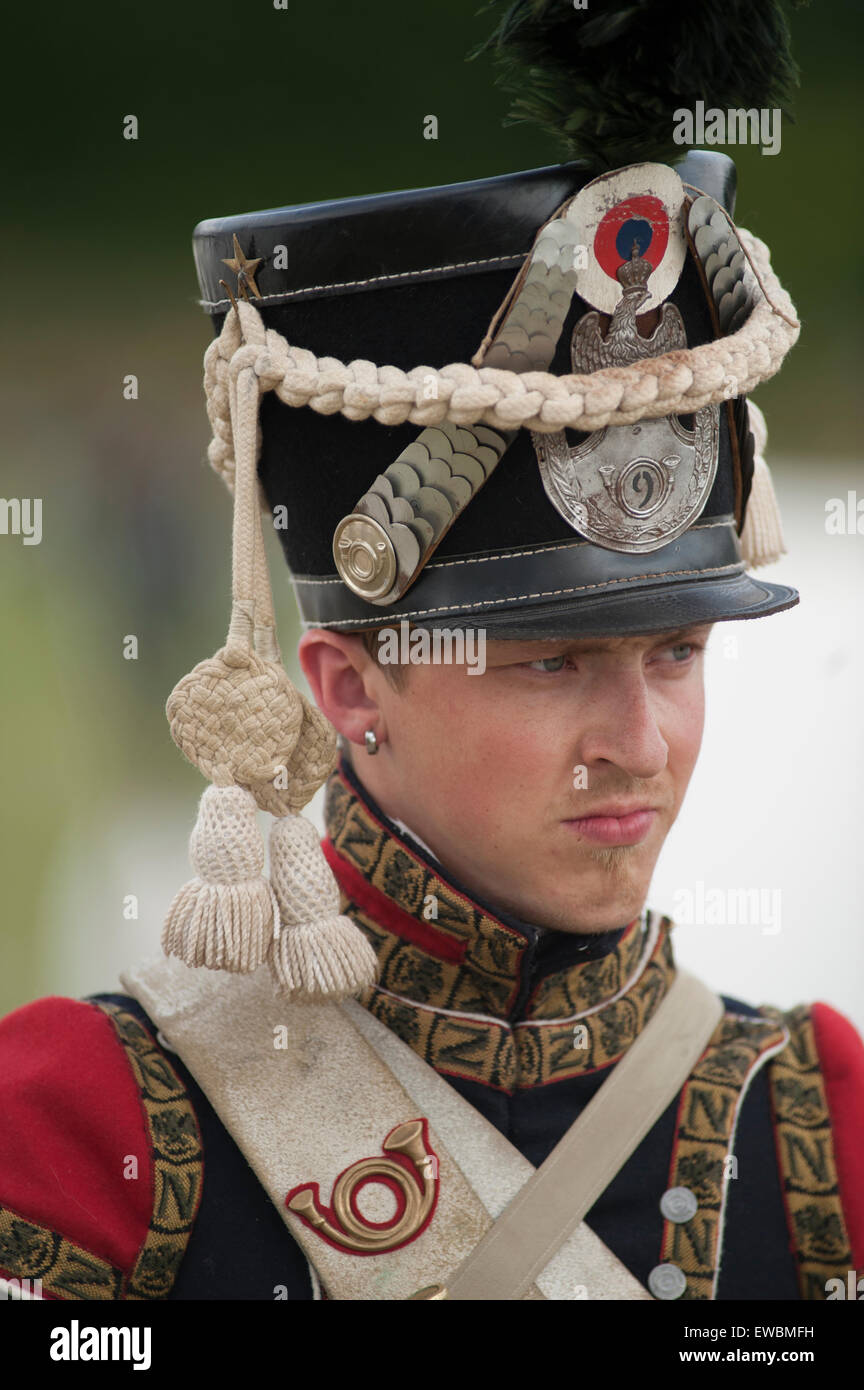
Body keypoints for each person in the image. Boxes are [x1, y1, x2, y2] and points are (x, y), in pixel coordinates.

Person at [1, 9, 862, 1305]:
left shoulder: (829, 1136)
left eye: (677, 652)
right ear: (350, 690)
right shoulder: (74, 1136)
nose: (641, 740)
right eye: (554, 664)